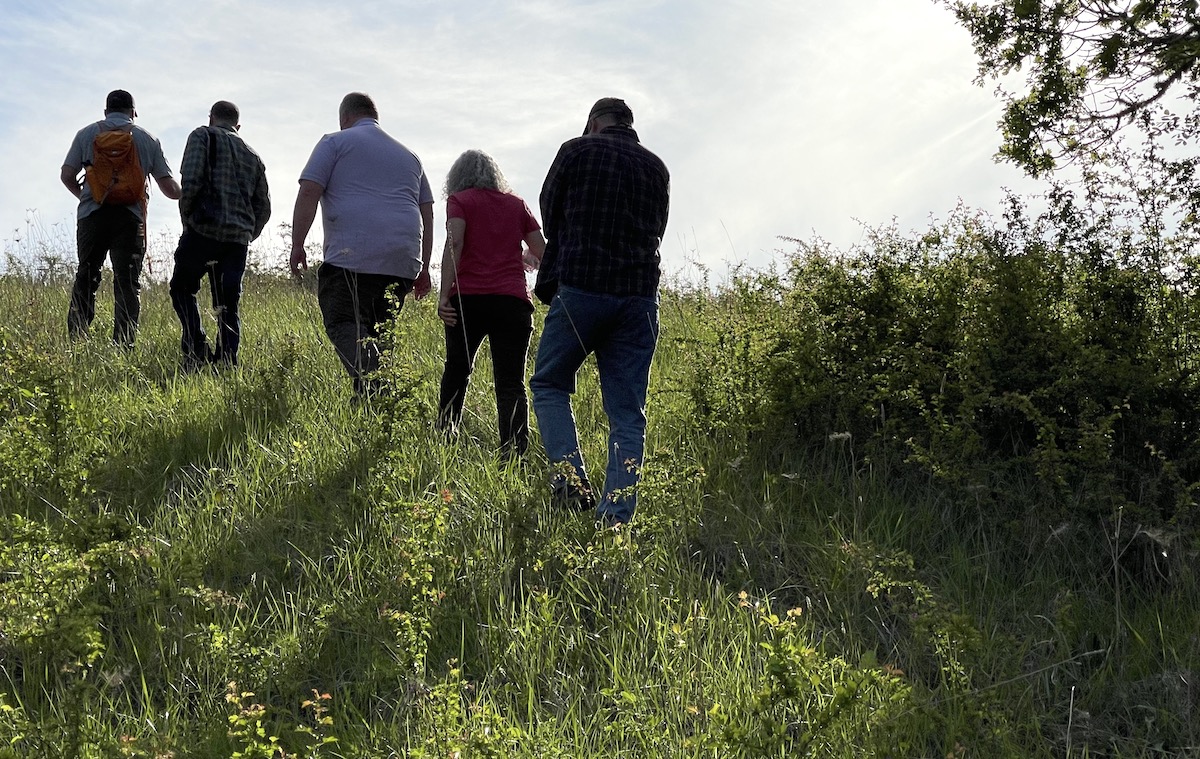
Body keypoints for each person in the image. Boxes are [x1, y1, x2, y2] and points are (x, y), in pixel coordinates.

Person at [530, 97, 670, 526]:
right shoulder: (657, 167)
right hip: (639, 297)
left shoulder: (575, 151)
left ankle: (571, 485)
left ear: (594, 122)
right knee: (628, 414)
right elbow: (658, 228)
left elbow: (550, 217)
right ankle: (615, 518)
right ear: (629, 124)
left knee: (550, 383)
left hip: (583, 289)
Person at [289, 92, 434, 397]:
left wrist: (298, 244)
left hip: (351, 257)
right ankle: (372, 405)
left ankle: (379, 387)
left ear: (345, 118)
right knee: (378, 333)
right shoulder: (410, 156)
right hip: (402, 261)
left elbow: (309, 192)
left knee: (343, 321)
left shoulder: (334, 142)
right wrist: (423, 267)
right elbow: (428, 211)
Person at [436, 149, 546, 458]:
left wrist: (444, 294)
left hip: (468, 299)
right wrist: (524, 257)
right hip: (512, 303)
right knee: (511, 382)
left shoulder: (459, 201)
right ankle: (514, 453)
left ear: (457, 177)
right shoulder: (516, 205)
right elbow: (541, 251)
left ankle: (446, 437)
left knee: (458, 369)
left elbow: (455, 243)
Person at [60, 89, 181, 346]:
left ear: (106, 111)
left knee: (87, 274)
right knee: (127, 281)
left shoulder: (86, 134)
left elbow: (67, 175)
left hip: (92, 215)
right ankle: (124, 343)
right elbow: (170, 189)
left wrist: (86, 195)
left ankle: (76, 339)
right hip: (130, 218)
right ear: (133, 113)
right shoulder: (147, 139)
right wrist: (191, 190)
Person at [169, 100, 271, 369]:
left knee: (181, 289)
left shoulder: (202, 135)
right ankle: (226, 362)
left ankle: (196, 346)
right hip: (236, 241)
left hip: (203, 229)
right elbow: (264, 206)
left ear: (212, 117)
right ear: (238, 125)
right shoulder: (253, 155)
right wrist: (247, 233)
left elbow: (190, 182)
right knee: (228, 304)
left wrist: (187, 220)